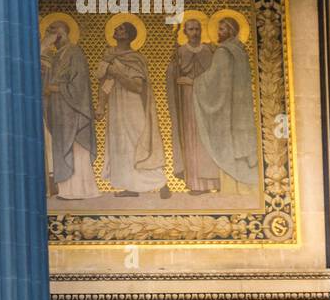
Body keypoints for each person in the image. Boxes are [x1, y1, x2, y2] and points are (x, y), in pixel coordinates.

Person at [97, 19, 170, 197]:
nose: (116, 29)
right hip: (116, 108)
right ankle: (130, 187)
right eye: (116, 27)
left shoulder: (135, 58)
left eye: (120, 28)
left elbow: (137, 87)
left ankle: (162, 184)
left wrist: (116, 72)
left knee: (138, 143)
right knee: (121, 145)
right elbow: (106, 82)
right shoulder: (109, 56)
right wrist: (101, 106)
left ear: (128, 35)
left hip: (133, 107)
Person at [190, 15, 258, 193]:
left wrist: (194, 82)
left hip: (227, 109)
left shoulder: (223, 52)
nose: (218, 33)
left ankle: (230, 188)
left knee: (225, 145)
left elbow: (214, 79)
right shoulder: (239, 50)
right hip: (241, 108)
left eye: (221, 29)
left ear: (230, 31)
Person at [42, 19, 100, 200]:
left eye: (54, 29)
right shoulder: (55, 55)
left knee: (76, 148)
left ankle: (82, 189)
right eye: (49, 30)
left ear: (63, 32)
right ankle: (67, 190)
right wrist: (43, 47)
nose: (51, 32)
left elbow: (80, 84)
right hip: (59, 110)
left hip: (74, 110)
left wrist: (58, 88)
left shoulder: (74, 52)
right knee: (62, 146)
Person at [165, 17, 220, 193]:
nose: (194, 33)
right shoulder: (180, 51)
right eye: (190, 29)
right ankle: (196, 184)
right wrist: (173, 70)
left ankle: (213, 183)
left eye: (197, 29)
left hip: (206, 102)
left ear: (201, 30)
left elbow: (215, 76)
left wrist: (192, 82)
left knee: (207, 138)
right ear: (185, 32)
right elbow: (174, 76)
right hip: (187, 102)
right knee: (190, 139)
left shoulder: (209, 51)